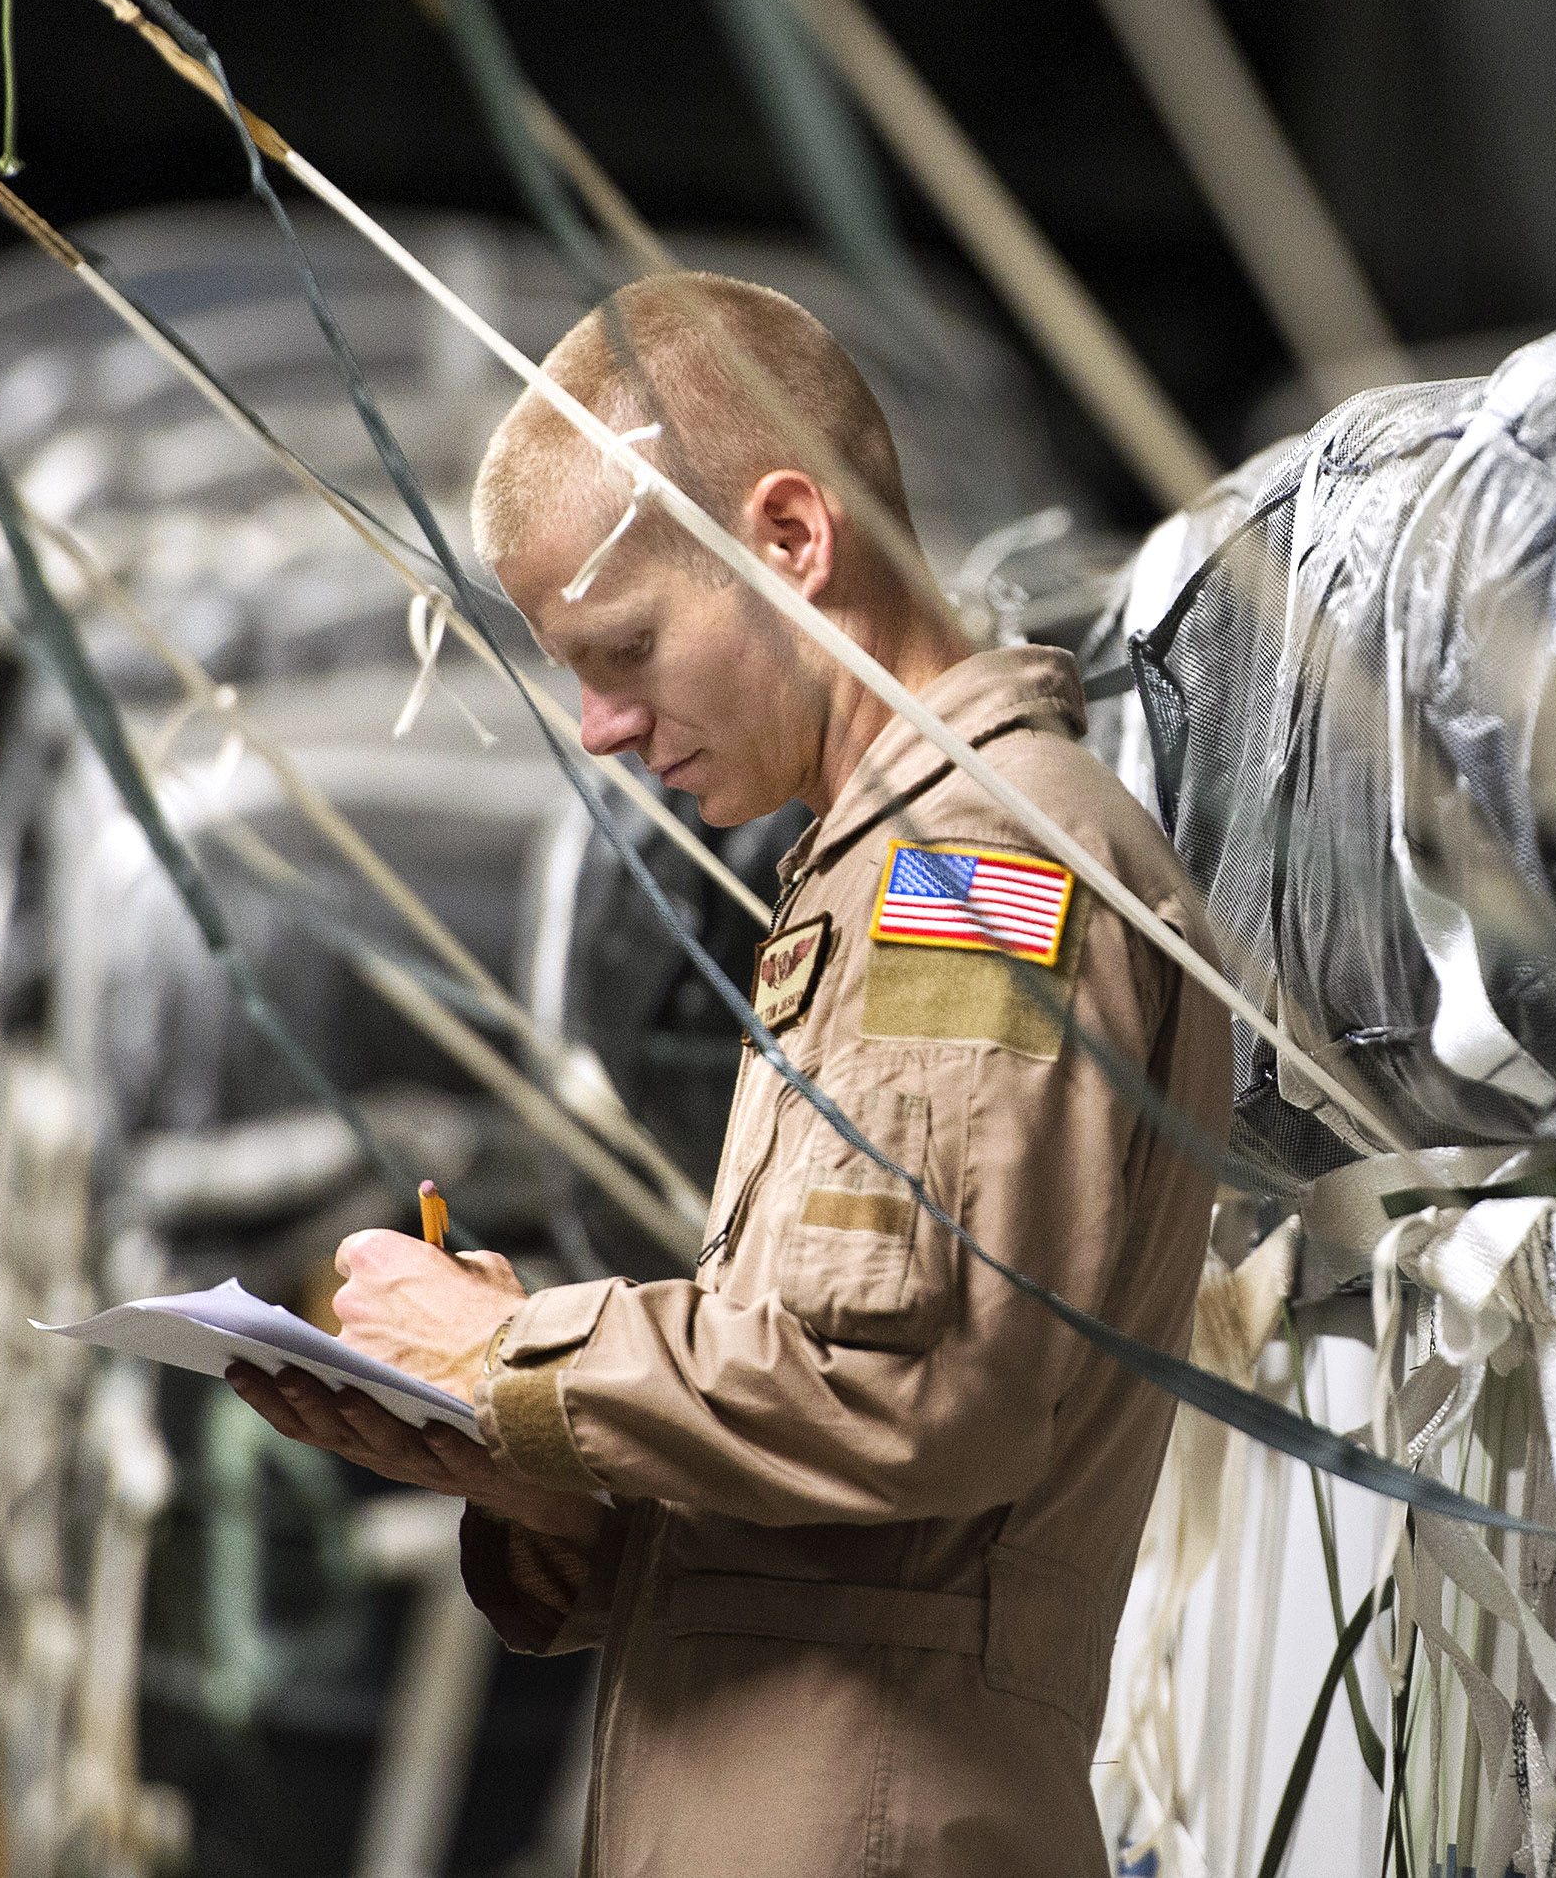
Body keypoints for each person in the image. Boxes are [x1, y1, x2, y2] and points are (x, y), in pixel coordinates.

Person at [230, 272, 1231, 1878]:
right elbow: (842, 1507)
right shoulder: (882, 867)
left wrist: (510, 1351)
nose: (600, 728)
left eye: (624, 648)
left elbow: (919, 1397)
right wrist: (539, 1476)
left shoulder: (968, 870)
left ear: (790, 537)